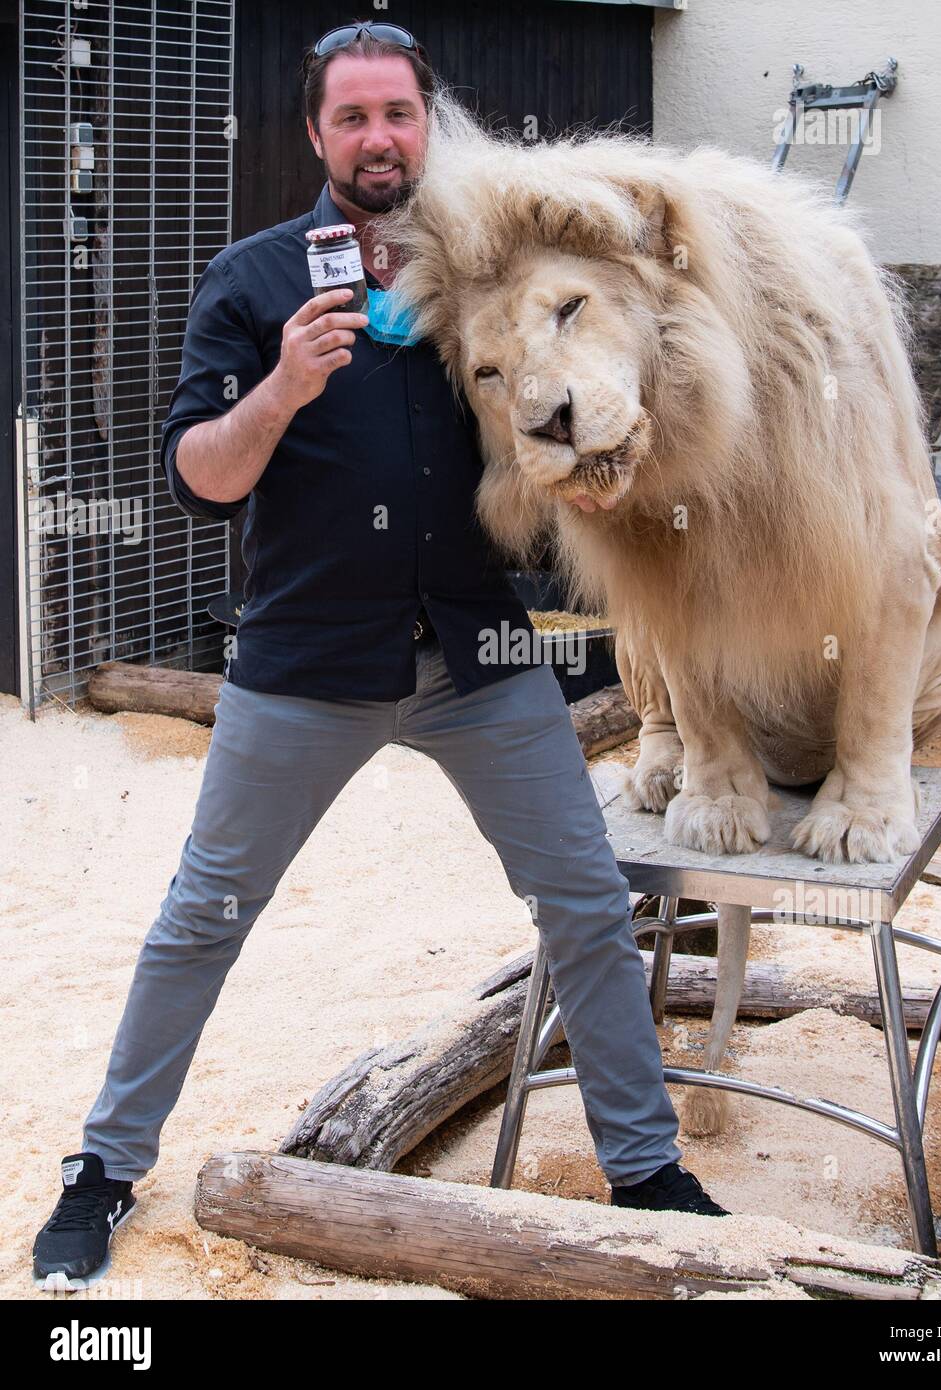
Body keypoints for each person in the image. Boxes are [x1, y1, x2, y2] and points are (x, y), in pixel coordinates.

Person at [33, 20, 729, 1288]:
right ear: (316, 134)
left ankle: (647, 1168)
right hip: (303, 663)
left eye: (396, 114)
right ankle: (103, 1166)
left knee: (583, 903)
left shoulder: (485, 274)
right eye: (350, 117)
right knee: (204, 915)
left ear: (427, 122)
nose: (376, 139)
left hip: (482, 651)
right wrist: (284, 386)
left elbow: (570, 407)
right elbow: (200, 477)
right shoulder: (253, 281)